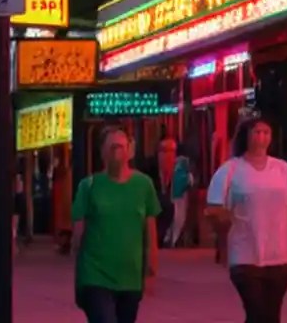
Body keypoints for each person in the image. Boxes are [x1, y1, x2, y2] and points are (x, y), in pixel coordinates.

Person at [206, 116, 287, 323]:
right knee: (256, 312)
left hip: (278, 254)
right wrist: (222, 235)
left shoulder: (282, 169)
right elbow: (214, 210)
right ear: (246, 135)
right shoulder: (230, 170)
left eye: (266, 132)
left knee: (271, 315)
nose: (262, 137)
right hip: (244, 254)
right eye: (257, 132)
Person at [72, 127, 160, 323]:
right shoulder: (89, 186)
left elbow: (150, 231)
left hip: (130, 277)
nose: (116, 153)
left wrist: (151, 268)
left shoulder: (143, 185)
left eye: (121, 147)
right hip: (95, 276)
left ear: (129, 150)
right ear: (102, 152)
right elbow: (78, 233)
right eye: (112, 148)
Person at [150, 135, 178, 247]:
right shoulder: (148, 171)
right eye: (162, 151)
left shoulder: (181, 171)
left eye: (170, 152)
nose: (165, 155)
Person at [167, 150, 195, 247]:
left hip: (176, 199)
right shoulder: (185, 175)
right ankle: (174, 240)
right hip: (181, 199)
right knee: (179, 219)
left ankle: (169, 238)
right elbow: (190, 184)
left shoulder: (176, 173)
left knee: (176, 219)